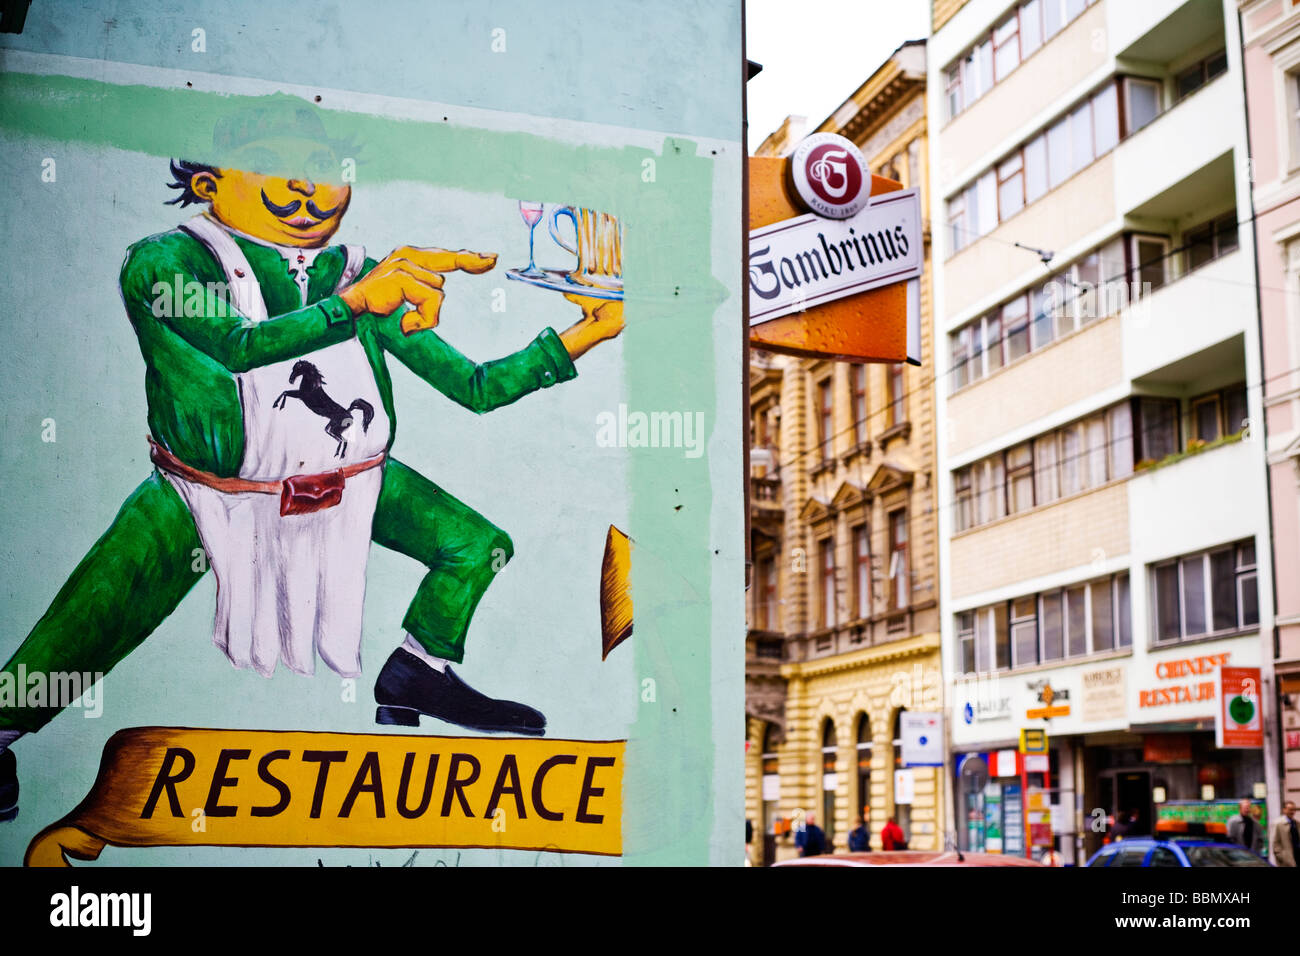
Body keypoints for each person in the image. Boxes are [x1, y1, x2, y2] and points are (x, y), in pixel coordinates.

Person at [0, 99, 624, 822]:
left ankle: (416, 672)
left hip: (348, 481)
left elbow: (476, 388)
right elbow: (238, 345)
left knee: (475, 546)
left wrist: (584, 336)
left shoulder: (358, 271)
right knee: (99, 614)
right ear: (208, 183)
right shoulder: (162, 263)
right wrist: (357, 304)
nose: (304, 191)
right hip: (207, 495)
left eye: (323, 171)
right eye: (276, 168)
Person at [1272, 800, 1298, 868]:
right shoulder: (1278, 824)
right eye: (1290, 810)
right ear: (1284, 810)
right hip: (1286, 861)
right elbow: (1275, 844)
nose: (1293, 812)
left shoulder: (1297, 823)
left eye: (1294, 809)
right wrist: (1283, 857)